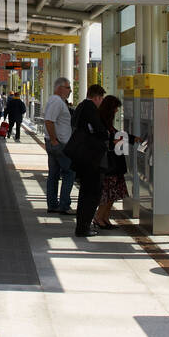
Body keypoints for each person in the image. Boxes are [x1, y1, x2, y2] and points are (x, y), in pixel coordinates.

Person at [67, 84, 108, 237]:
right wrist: (106, 135)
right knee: (92, 194)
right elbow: (100, 131)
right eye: (101, 98)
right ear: (97, 97)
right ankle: (84, 227)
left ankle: (82, 225)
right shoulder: (90, 108)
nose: (101, 102)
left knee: (85, 193)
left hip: (83, 158)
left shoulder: (80, 107)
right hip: (91, 159)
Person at [94, 95, 130, 228]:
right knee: (108, 194)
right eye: (115, 108)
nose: (116, 111)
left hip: (114, 165)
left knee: (112, 194)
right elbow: (100, 140)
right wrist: (113, 142)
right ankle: (99, 218)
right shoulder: (102, 123)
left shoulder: (108, 123)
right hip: (108, 165)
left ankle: (105, 218)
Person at [43, 76, 74, 214]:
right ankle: (64, 205)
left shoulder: (56, 101)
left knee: (54, 174)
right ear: (59, 88)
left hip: (54, 142)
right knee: (69, 173)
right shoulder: (56, 101)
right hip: (59, 144)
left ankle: (52, 204)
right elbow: (49, 121)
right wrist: (54, 140)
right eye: (68, 87)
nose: (70, 90)